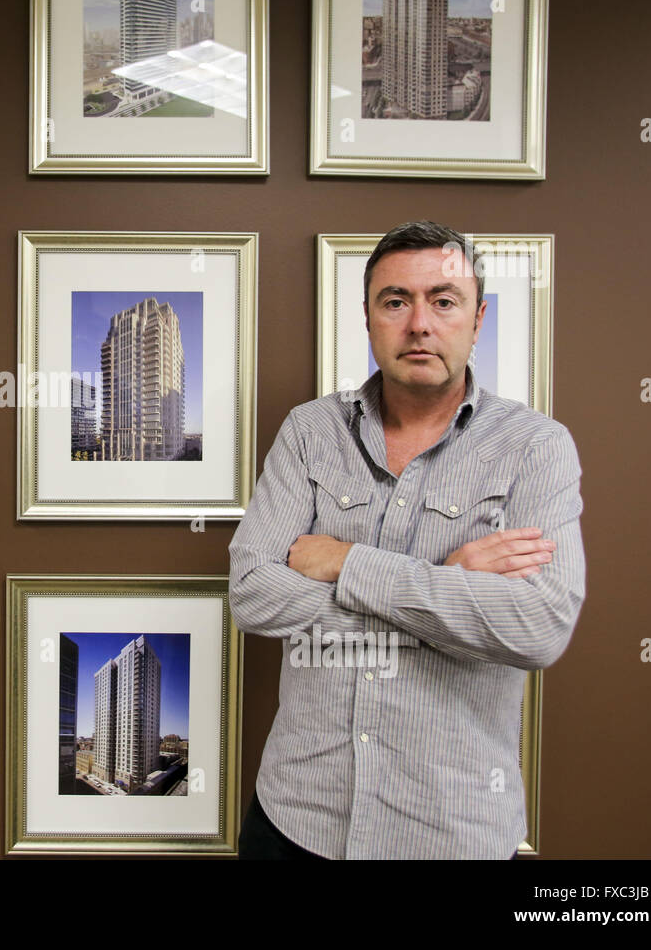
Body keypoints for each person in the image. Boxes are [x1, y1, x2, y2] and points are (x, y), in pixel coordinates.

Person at [228, 221, 586, 859]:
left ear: (478, 320)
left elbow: (539, 627)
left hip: (449, 831)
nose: (419, 323)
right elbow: (253, 594)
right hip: (295, 818)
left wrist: (346, 562)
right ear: (368, 319)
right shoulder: (311, 431)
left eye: (444, 301)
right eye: (396, 301)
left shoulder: (535, 448)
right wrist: (447, 580)